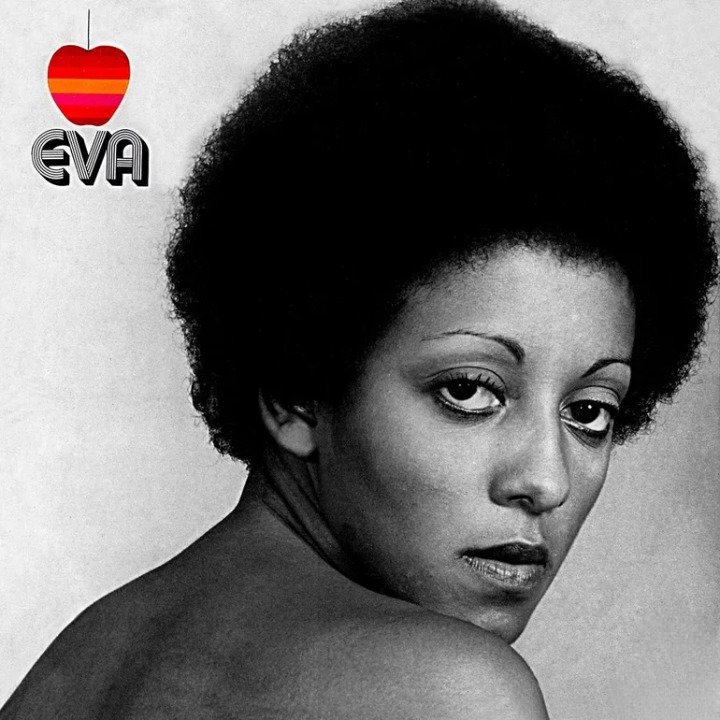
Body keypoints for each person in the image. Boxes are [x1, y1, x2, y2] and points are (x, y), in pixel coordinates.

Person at [2, 0, 717, 717]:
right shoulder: (451, 691)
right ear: (295, 393)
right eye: (470, 391)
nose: (545, 481)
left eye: (589, 412)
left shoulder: (77, 664)